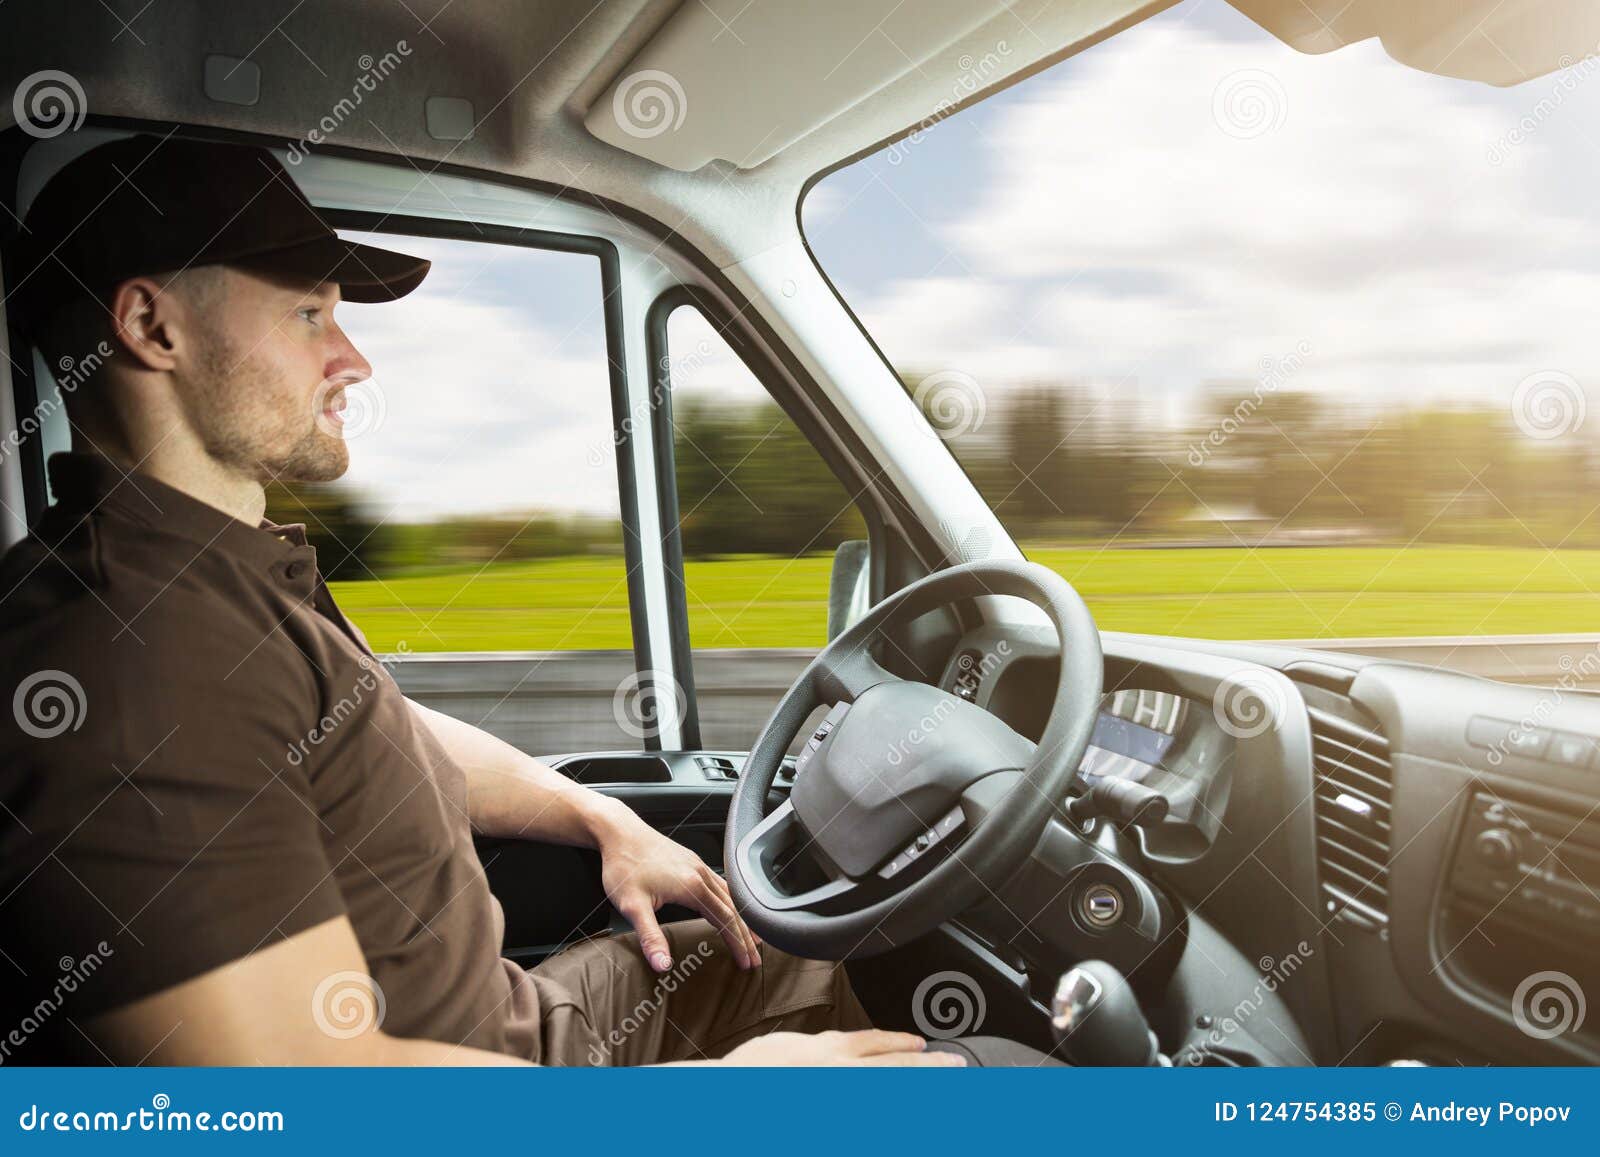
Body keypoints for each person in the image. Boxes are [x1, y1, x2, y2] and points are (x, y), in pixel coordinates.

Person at [0, 134, 961, 1068]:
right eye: (308, 315)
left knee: (801, 949)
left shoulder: (221, 576)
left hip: (521, 1024)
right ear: (150, 327)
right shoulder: (138, 663)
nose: (352, 359)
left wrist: (598, 815)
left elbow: (383, 730)